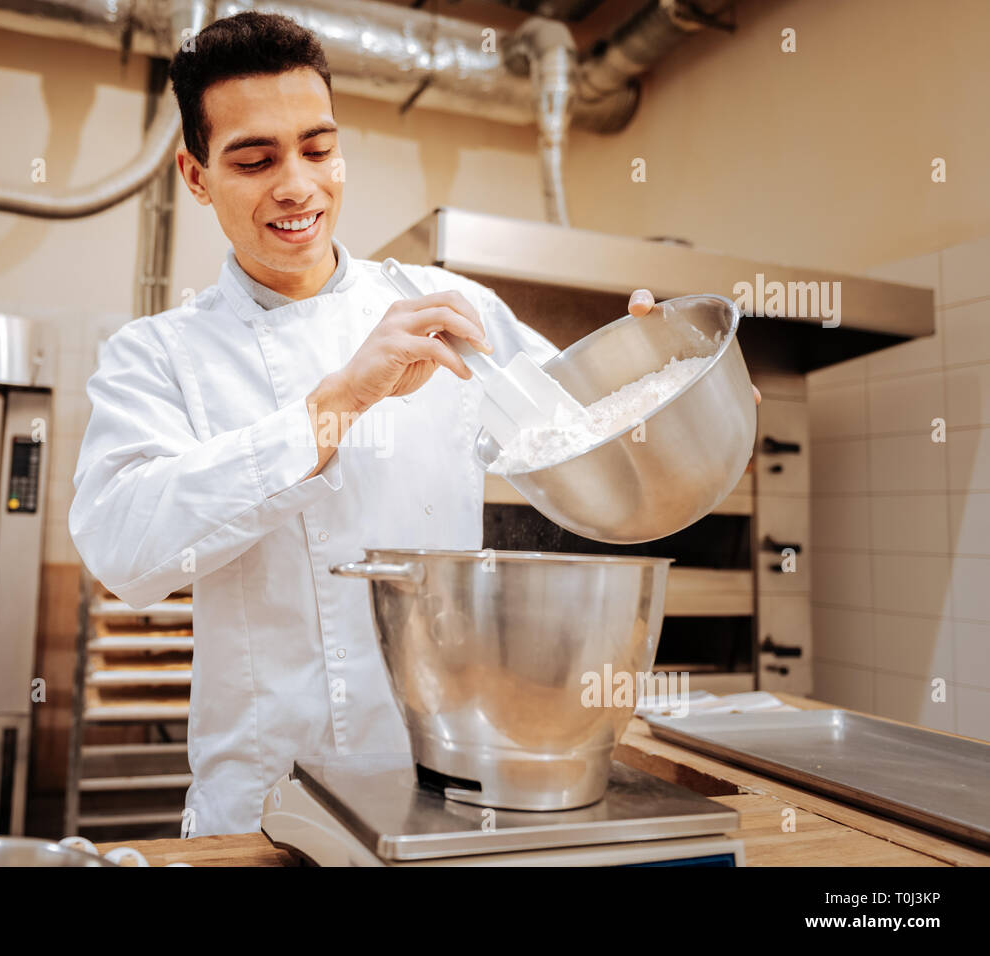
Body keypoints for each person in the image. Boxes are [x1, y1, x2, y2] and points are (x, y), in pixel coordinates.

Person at [69, 11, 759, 836]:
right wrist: (336, 405)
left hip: (449, 788)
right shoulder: (157, 354)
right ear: (195, 173)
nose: (297, 185)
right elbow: (123, 553)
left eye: (318, 149)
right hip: (259, 808)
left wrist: (672, 399)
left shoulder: (448, 310)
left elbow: (591, 445)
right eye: (255, 159)